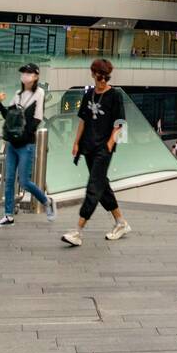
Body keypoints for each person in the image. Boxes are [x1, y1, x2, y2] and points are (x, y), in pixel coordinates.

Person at [61, 59, 129, 247]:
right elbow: (83, 120)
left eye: (97, 74)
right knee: (102, 185)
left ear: (99, 74)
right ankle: (121, 222)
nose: (97, 78)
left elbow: (120, 123)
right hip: (88, 147)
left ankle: (78, 230)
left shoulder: (114, 95)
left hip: (103, 149)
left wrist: (109, 143)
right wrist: (76, 143)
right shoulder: (89, 94)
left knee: (93, 187)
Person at [0, 62, 55, 227]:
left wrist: (24, 135)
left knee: (24, 181)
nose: (25, 75)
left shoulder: (39, 93)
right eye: (23, 73)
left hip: (26, 145)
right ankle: (8, 215)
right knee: (9, 179)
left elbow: (38, 118)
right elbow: (9, 117)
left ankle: (46, 201)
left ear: (35, 76)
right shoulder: (17, 94)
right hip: (12, 144)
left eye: (28, 73)